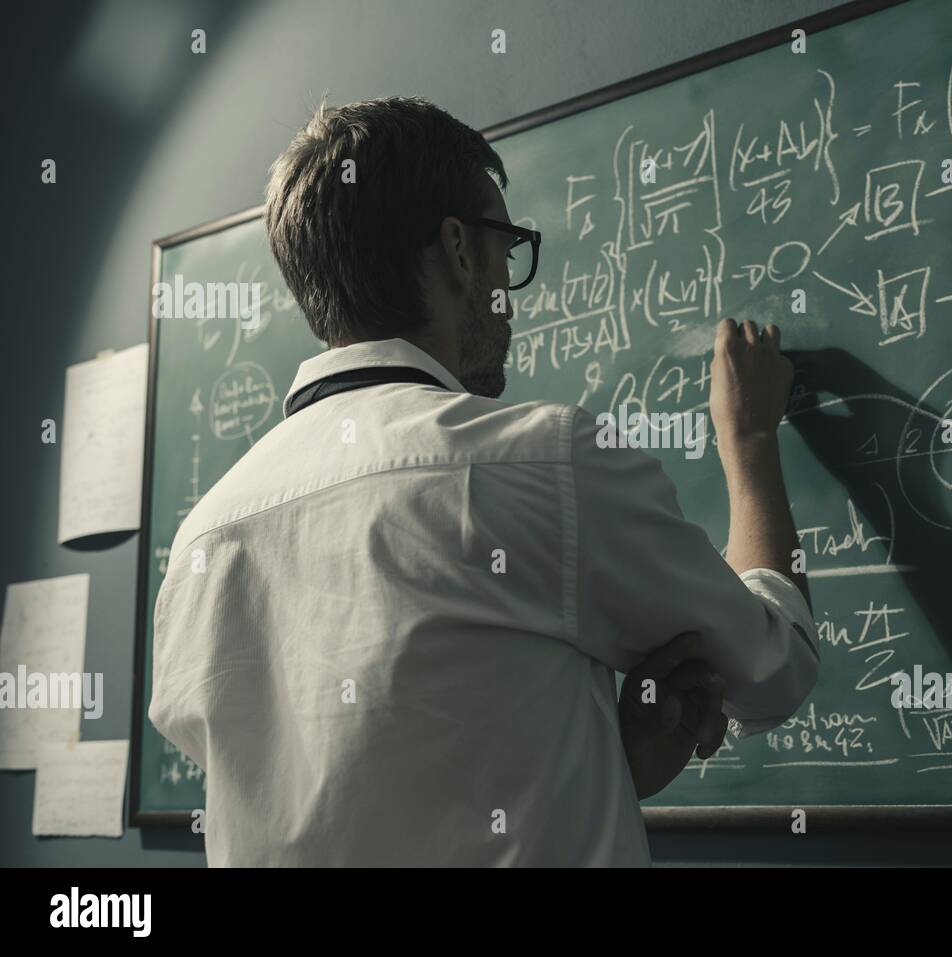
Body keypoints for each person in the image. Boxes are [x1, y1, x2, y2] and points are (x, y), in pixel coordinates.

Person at [149, 97, 817, 866]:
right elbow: (774, 669)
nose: (508, 284)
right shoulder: (538, 462)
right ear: (460, 251)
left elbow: (356, 796)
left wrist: (600, 756)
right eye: (506, 248)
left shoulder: (204, 537)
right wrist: (752, 441)